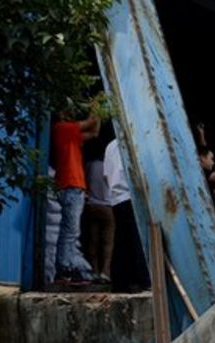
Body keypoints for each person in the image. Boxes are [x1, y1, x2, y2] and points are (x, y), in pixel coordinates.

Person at [52, 111, 101, 284]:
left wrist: (97, 115)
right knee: (70, 231)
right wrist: (97, 108)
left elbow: (94, 132)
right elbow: (90, 123)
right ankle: (64, 269)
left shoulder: (70, 135)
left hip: (74, 186)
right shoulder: (61, 128)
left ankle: (69, 268)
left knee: (71, 231)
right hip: (70, 185)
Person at [104, 139, 151, 292]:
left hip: (116, 198)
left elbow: (106, 176)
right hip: (131, 196)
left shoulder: (110, 146)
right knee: (136, 239)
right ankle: (142, 280)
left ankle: (120, 282)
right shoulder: (134, 140)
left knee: (121, 240)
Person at [83, 156, 114, 284]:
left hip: (92, 205)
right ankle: (105, 272)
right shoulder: (110, 164)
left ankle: (94, 271)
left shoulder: (90, 165)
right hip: (107, 206)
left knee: (93, 240)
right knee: (108, 242)